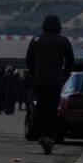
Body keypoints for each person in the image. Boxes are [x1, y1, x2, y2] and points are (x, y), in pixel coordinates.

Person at [25, 14, 75, 155]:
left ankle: (40, 135)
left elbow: (29, 60)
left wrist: (35, 73)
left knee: (40, 107)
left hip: (39, 80)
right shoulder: (63, 41)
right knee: (52, 110)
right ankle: (50, 136)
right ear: (59, 26)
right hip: (55, 81)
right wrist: (63, 75)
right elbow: (71, 61)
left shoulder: (36, 40)